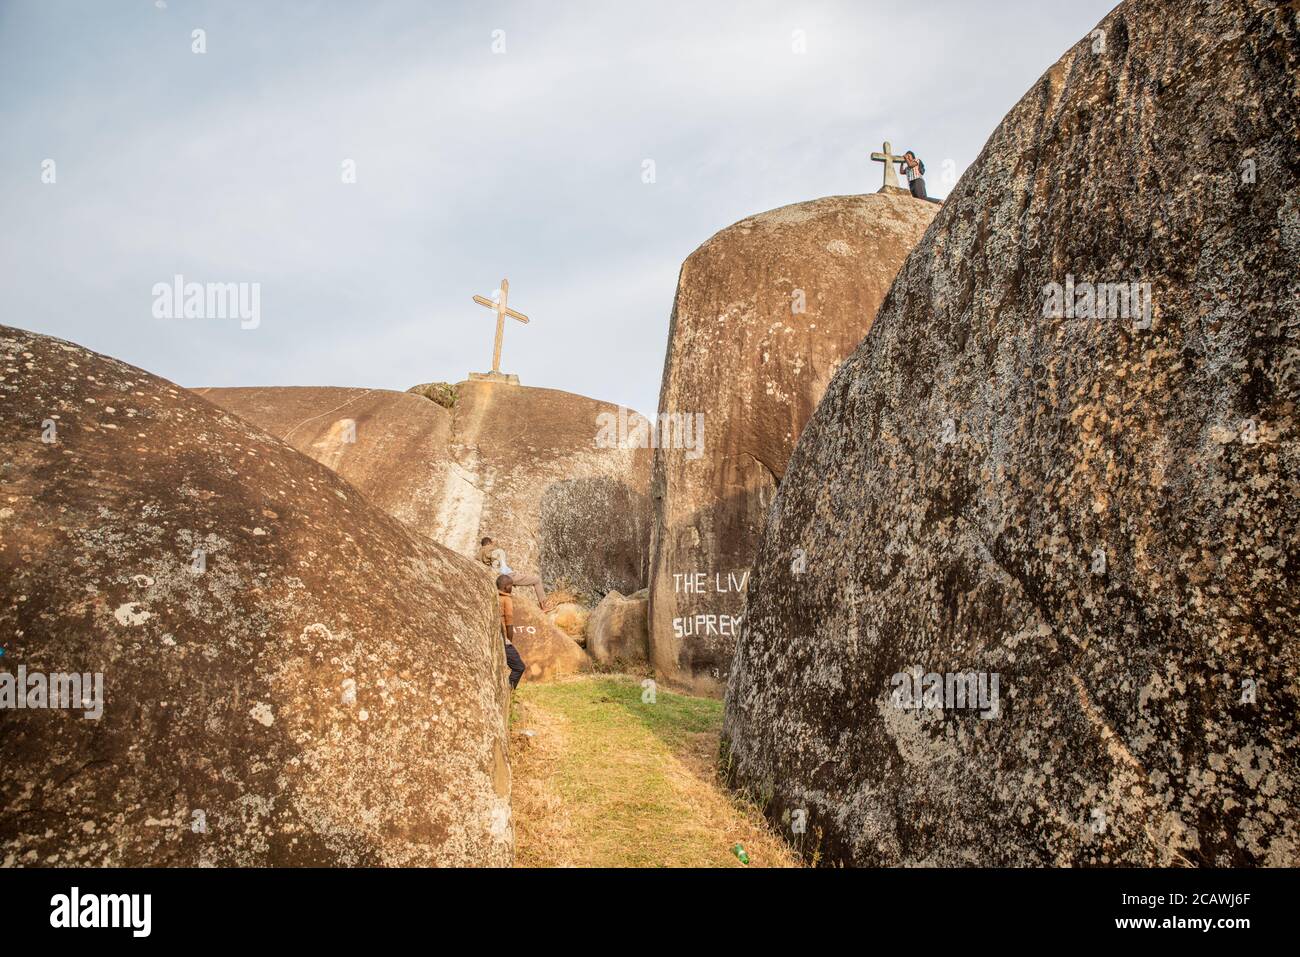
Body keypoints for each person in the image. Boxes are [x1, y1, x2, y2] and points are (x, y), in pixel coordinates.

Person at [478, 536, 547, 605]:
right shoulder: (495, 550)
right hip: (508, 576)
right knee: (536, 580)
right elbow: (502, 567)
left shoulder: (480, 554)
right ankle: (544, 605)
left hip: (498, 580)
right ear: (490, 543)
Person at [497, 574, 527, 690]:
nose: (512, 587)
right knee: (519, 667)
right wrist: (509, 640)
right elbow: (509, 622)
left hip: (497, 637)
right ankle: (509, 691)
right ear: (506, 587)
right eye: (511, 585)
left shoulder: (496, 597)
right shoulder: (506, 599)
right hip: (504, 638)